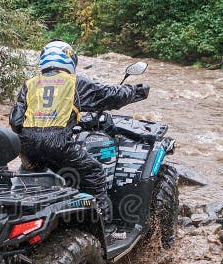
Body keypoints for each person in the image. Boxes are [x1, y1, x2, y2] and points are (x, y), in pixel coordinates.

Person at [9, 40, 149, 224]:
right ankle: (103, 223)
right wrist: (136, 91)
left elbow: (16, 122)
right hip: (58, 144)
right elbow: (109, 94)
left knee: (30, 175)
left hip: (26, 147)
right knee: (94, 172)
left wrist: (34, 135)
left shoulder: (30, 84)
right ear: (69, 60)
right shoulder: (74, 82)